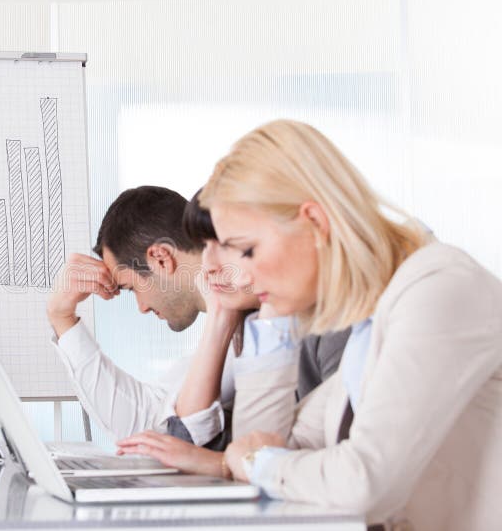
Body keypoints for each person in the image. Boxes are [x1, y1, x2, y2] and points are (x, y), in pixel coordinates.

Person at [120, 120, 502, 530]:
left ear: (314, 223)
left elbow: (366, 482)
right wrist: (273, 320)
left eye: (246, 249)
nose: (235, 270)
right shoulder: (368, 326)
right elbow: (277, 444)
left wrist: (249, 461)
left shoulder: (437, 287)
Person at [47, 185, 347, 446]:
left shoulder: (271, 315)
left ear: (160, 258)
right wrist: (63, 320)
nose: (141, 308)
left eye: (131, 288)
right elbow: (166, 422)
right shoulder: (239, 318)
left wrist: (226, 462)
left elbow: (162, 426)